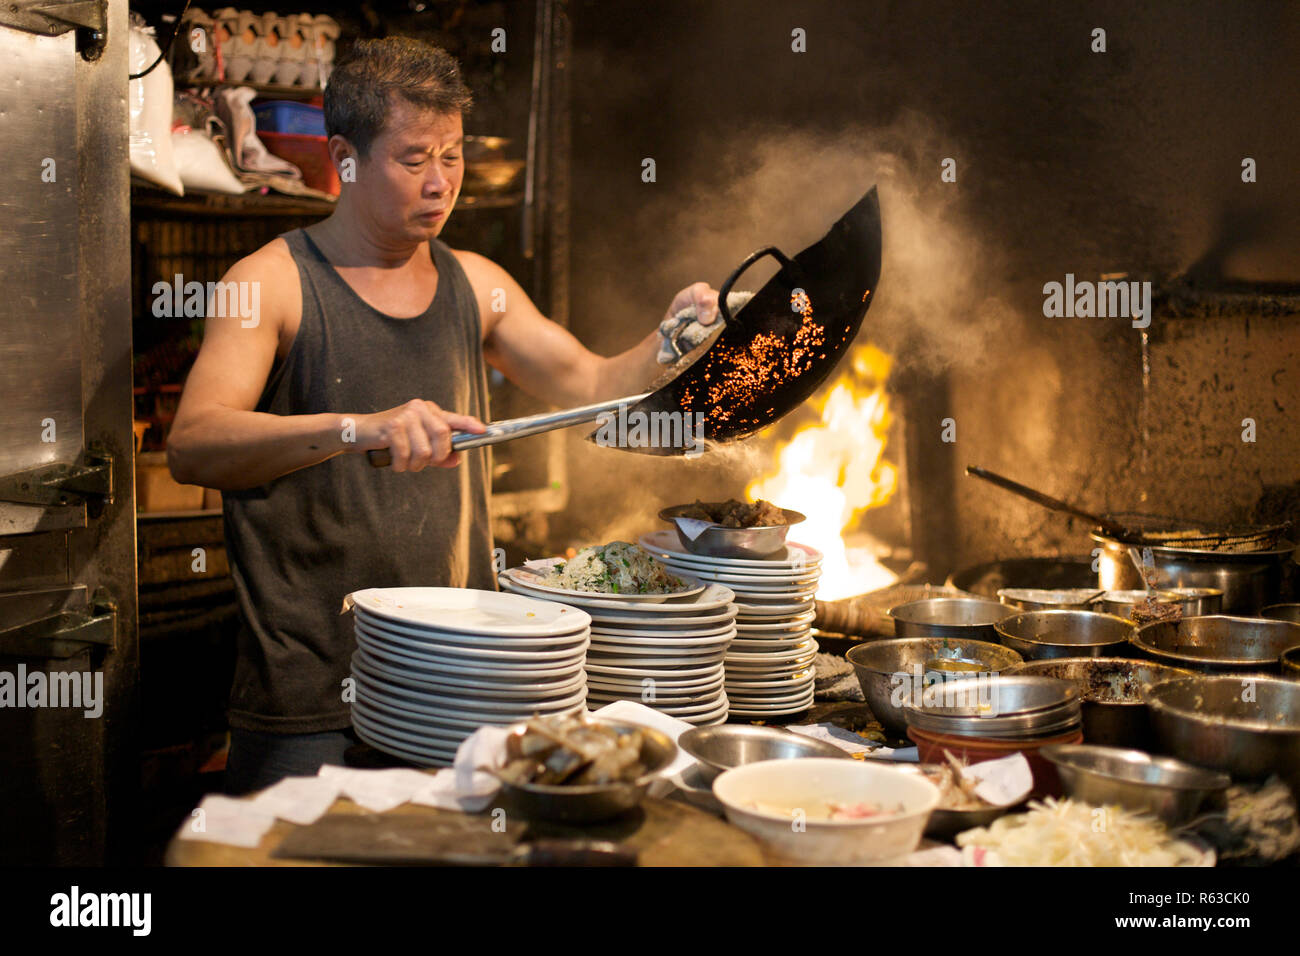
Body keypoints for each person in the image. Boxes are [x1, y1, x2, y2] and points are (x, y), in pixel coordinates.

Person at [167, 37, 719, 794]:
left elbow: (589, 382)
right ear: (345, 157)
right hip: (313, 702)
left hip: (460, 684)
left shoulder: (478, 285)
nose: (441, 183)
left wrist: (669, 342)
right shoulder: (269, 284)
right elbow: (194, 444)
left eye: (453, 156)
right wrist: (361, 426)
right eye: (414, 158)